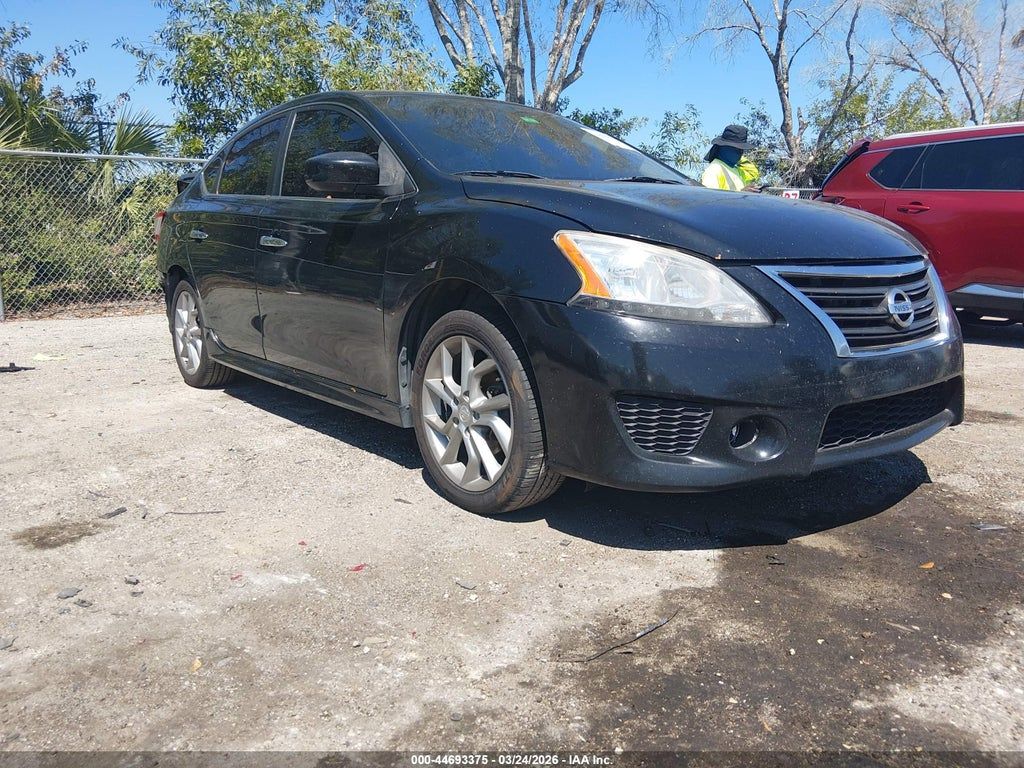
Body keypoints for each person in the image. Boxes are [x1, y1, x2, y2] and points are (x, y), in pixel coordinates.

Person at [701, 124, 760, 191]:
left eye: (742, 148)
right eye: (736, 148)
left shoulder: (737, 170)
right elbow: (710, 199)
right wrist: (742, 193)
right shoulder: (714, 170)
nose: (740, 152)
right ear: (723, 146)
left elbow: (753, 173)